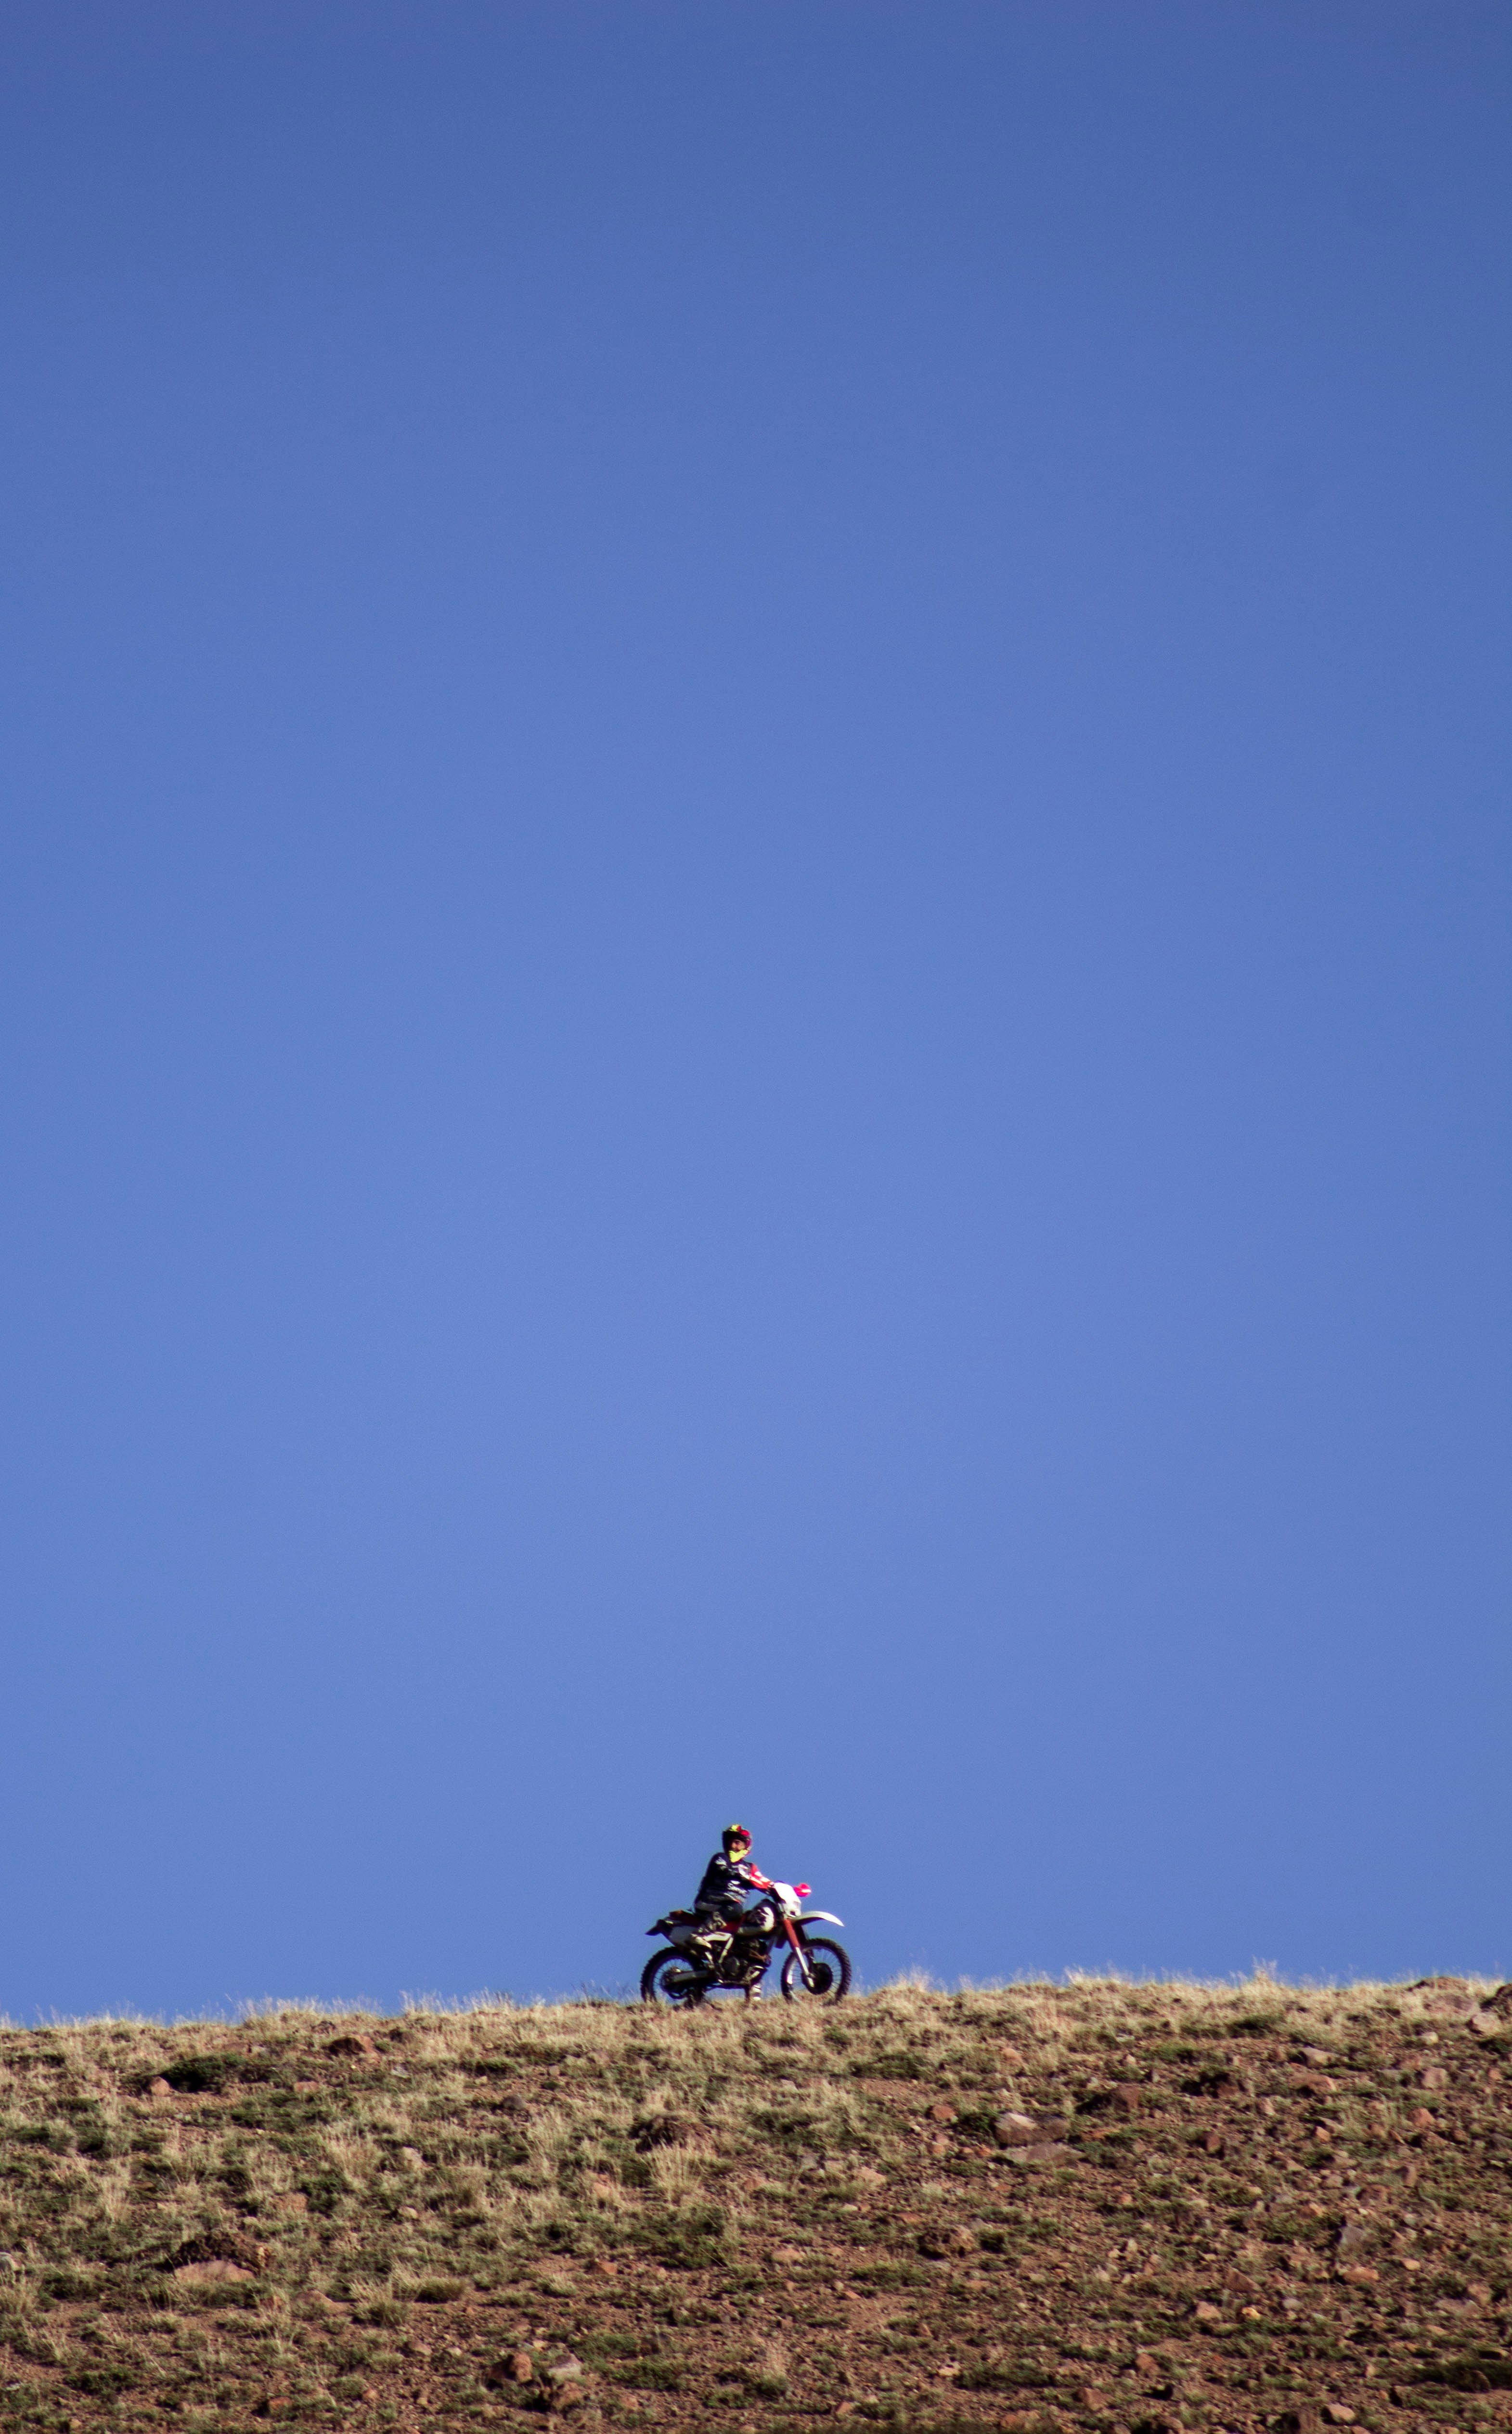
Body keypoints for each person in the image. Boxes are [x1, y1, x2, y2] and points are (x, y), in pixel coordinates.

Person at [688, 1823, 774, 1965]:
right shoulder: (721, 1858)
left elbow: (762, 1880)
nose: (733, 1845)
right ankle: (699, 1935)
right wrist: (739, 1875)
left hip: (730, 1907)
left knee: (755, 1920)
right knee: (736, 1908)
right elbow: (722, 1868)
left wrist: (782, 1889)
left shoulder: (749, 1868)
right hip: (709, 1902)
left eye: (737, 1842)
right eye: (731, 1841)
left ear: (746, 1846)